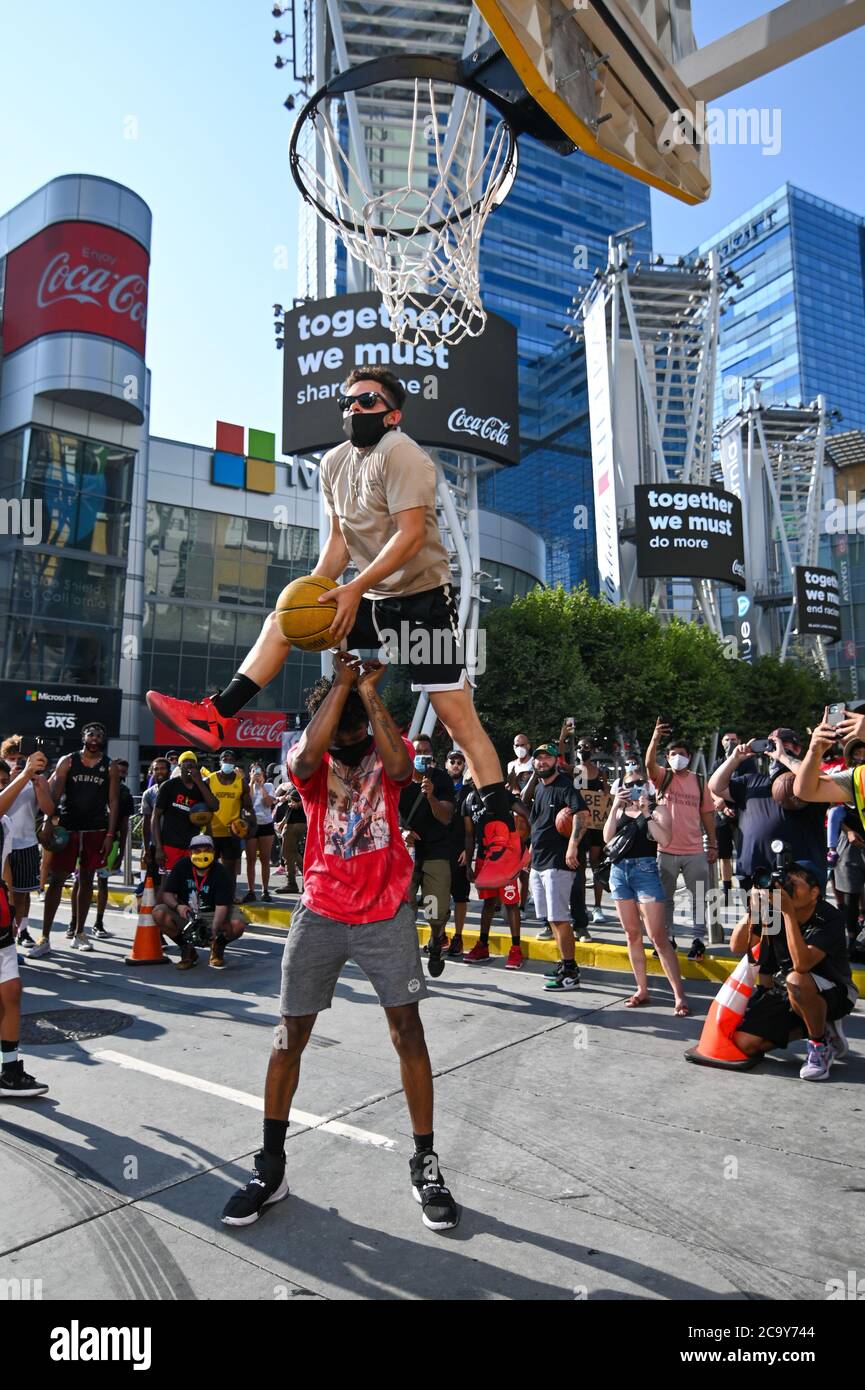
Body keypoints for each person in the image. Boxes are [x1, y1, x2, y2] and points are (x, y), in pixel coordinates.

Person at [146, 367, 521, 889]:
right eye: (346, 403)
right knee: (283, 620)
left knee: (456, 717)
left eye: (366, 401)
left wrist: (352, 587)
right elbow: (342, 540)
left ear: (392, 413)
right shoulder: (334, 464)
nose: (352, 409)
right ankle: (216, 715)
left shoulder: (404, 454)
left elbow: (410, 537)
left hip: (422, 600)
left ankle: (500, 826)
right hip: (368, 594)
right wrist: (319, 591)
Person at [221, 652, 458, 1231]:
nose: (351, 740)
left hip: (385, 915)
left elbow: (402, 768)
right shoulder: (309, 760)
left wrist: (370, 693)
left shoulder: (382, 748)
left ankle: (425, 1163)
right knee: (287, 1036)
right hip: (321, 911)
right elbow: (305, 752)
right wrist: (344, 683)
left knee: (409, 1032)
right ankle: (270, 1166)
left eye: (354, 728)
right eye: (345, 726)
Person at [729, 861, 856, 1080]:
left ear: (815, 892)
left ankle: (818, 1046)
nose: (789, 890)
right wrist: (753, 912)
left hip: (835, 991)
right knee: (746, 1043)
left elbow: (802, 965)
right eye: (787, 882)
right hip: (789, 990)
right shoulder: (774, 910)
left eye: (796, 884)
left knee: (797, 979)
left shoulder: (829, 917)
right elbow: (737, 947)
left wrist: (788, 914)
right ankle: (819, 1026)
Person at [28, 722, 120, 958]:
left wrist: (110, 834)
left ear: (103, 740)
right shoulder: (68, 761)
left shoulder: (109, 766)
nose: (95, 737)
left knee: (88, 879)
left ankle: (80, 933)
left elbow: (113, 801)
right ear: (83, 737)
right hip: (68, 828)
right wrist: (49, 821)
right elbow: (55, 794)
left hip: (95, 829)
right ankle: (45, 937)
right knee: (57, 879)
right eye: (91, 733)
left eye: (99, 734)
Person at [603, 769, 689, 1014]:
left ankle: (679, 996)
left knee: (658, 937)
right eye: (630, 784)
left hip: (645, 871)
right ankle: (642, 989)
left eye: (640, 783)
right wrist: (614, 807)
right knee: (632, 934)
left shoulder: (658, 810)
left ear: (649, 787)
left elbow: (665, 840)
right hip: (619, 872)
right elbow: (607, 839)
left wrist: (646, 813)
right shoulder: (619, 810)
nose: (636, 787)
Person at [711, 727, 827, 891]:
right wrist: (735, 758)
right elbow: (715, 786)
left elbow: (824, 781)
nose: (777, 748)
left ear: (798, 749)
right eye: (772, 744)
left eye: (784, 744)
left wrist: (784, 757)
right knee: (758, 917)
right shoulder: (751, 781)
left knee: (795, 917)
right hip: (755, 875)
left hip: (799, 878)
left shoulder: (809, 785)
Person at [521, 742, 589, 991]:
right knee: (551, 918)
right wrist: (529, 853)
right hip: (539, 860)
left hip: (557, 862)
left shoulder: (565, 787)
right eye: (538, 759)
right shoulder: (540, 788)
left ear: (556, 762)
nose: (542, 762)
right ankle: (563, 963)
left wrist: (572, 846)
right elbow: (536, 823)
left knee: (560, 918)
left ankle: (570, 971)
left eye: (547, 758)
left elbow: (582, 815)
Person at [645, 721, 716, 953]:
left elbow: (707, 815)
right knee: (665, 900)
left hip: (694, 851)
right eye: (673, 754)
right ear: (667, 757)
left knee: (698, 898)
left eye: (682, 754)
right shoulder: (663, 777)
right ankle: (668, 939)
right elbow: (648, 764)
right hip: (665, 851)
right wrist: (655, 738)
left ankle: (698, 940)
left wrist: (712, 845)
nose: (678, 757)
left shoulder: (699, 781)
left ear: (689, 756)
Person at [0, 794, 48, 1098]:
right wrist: (27, 771)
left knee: (11, 992)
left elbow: (3, 866)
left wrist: (10, 907)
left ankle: (10, 1071)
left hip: (0, 921)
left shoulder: (4, 824)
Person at [399, 734, 453, 976]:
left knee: (434, 909)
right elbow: (383, 814)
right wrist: (401, 832)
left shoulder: (440, 779)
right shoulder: (398, 779)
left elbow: (446, 816)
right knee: (403, 908)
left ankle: (434, 940)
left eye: (426, 752)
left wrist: (431, 796)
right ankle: (406, 956)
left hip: (436, 852)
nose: (421, 756)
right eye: (417, 751)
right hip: (406, 856)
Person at [152, 834, 248, 970]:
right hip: (187, 914)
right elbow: (167, 894)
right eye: (197, 850)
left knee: (238, 924)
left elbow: (222, 906)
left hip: (213, 914)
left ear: (213, 853)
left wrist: (214, 930)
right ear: (190, 852)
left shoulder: (221, 871)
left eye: (207, 850)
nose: (202, 854)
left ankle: (217, 947)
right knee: (158, 913)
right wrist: (178, 906)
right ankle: (187, 949)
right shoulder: (181, 866)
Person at [463, 795, 529, 968]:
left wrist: (526, 845)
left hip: (506, 858)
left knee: (511, 903)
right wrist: (468, 864)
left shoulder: (500, 793)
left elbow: (527, 816)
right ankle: (483, 945)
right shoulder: (469, 801)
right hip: (484, 859)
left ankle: (516, 949)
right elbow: (469, 836)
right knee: (489, 902)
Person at [0, 741, 54, 951]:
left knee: (20, 894)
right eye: (11, 757)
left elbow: (49, 809)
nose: (16, 762)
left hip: (26, 844)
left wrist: (37, 784)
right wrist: (13, 781)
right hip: (5, 845)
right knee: (7, 894)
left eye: (20, 758)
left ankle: (20, 931)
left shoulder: (35, 780)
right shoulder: (6, 780)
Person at [87, 759, 134, 939]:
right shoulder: (96, 788)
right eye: (118, 771)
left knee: (103, 883)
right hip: (89, 839)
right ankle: (75, 923)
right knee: (81, 881)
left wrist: (121, 853)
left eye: (123, 772)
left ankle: (98, 923)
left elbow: (124, 827)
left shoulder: (125, 795)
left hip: (110, 844)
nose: (120, 775)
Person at [152, 751, 218, 876]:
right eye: (185, 762)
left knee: (189, 883)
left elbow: (214, 806)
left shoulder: (201, 786)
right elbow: (156, 817)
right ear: (179, 766)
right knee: (167, 883)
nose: (188, 765)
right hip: (170, 844)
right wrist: (159, 847)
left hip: (192, 844)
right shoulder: (169, 786)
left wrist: (199, 782)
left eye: (192, 763)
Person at [203, 749, 253, 900]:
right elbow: (201, 804)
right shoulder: (210, 780)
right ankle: (207, 896)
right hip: (211, 831)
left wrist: (249, 824)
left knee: (229, 870)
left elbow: (248, 808)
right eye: (225, 759)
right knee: (208, 867)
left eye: (231, 759)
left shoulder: (241, 783)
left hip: (232, 832)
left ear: (234, 763)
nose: (227, 761)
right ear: (220, 762)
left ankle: (229, 896)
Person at [443, 749, 471, 960]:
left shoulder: (470, 791)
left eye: (459, 762)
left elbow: (473, 826)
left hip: (460, 851)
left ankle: (458, 937)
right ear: (446, 764)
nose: (456, 764)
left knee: (460, 897)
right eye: (452, 761)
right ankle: (439, 935)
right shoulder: (437, 788)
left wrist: (468, 851)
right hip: (438, 850)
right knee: (438, 896)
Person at [243, 763, 276, 904]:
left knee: (265, 859)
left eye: (258, 771)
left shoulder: (269, 786)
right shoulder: (247, 786)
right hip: (251, 825)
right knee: (250, 859)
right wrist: (251, 783)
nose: (256, 773)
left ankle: (265, 890)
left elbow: (268, 803)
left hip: (266, 825)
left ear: (263, 773)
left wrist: (261, 786)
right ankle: (251, 891)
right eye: (253, 771)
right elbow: (247, 802)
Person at [139, 757, 170, 888]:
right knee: (154, 883)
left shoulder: (176, 789)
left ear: (169, 771)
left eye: (162, 768)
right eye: (156, 769)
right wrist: (146, 849)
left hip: (174, 842)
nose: (159, 772)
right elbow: (146, 824)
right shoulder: (148, 794)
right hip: (155, 845)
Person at [274, 777, 306, 894]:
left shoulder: (307, 783)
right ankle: (293, 883)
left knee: (290, 853)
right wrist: (283, 822)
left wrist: (299, 804)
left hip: (302, 823)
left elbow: (311, 799)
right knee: (288, 853)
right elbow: (289, 807)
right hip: (291, 823)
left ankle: (299, 882)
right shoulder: (294, 785)